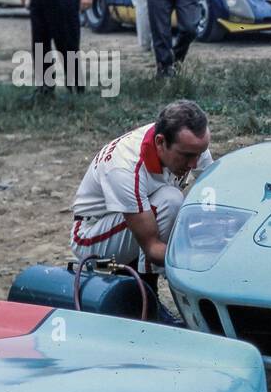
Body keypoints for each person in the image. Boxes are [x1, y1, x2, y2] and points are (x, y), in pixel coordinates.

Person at [70, 100, 213, 314]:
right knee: (170, 201)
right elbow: (153, 248)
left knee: (177, 205)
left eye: (200, 153)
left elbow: (216, 197)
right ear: (160, 142)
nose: (194, 163)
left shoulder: (189, 145)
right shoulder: (124, 167)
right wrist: (200, 260)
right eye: (187, 156)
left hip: (133, 217)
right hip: (91, 234)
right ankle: (146, 298)